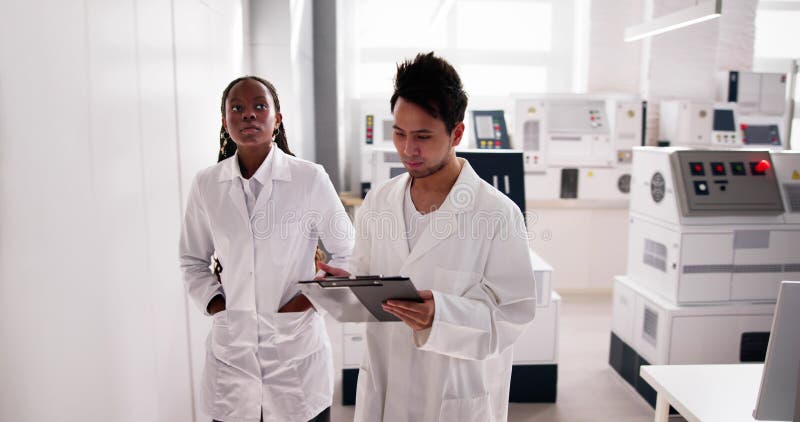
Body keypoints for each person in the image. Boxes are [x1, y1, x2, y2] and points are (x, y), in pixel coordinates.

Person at [318, 52, 537, 421]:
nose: (408, 149)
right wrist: (346, 286)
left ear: (456, 133)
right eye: (399, 133)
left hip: (453, 397)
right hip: (385, 387)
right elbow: (369, 287)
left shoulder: (497, 214)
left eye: (422, 136)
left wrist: (442, 315)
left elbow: (512, 316)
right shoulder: (379, 202)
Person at [179, 76, 354, 422]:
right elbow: (192, 259)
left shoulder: (310, 179)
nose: (248, 115)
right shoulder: (207, 185)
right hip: (233, 361)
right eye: (237, 108)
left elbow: (348, 252)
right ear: (224, 120)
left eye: (260, 106)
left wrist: (305, 302)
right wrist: (217, 306)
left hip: (296, 358)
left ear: (278, 118)